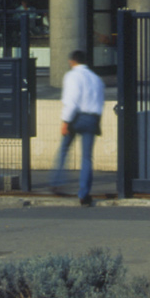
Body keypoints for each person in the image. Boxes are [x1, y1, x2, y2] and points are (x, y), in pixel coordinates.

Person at [50, 49, 105, 206]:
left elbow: (71, 101)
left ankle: (57, 183)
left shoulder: (72, 76)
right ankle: (83, 194)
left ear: (72, 61)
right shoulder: (97, 79)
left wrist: (65, 121)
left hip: (76, 118)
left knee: (64, 149)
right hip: (93, 118)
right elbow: (100, 102)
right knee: (87, 157)